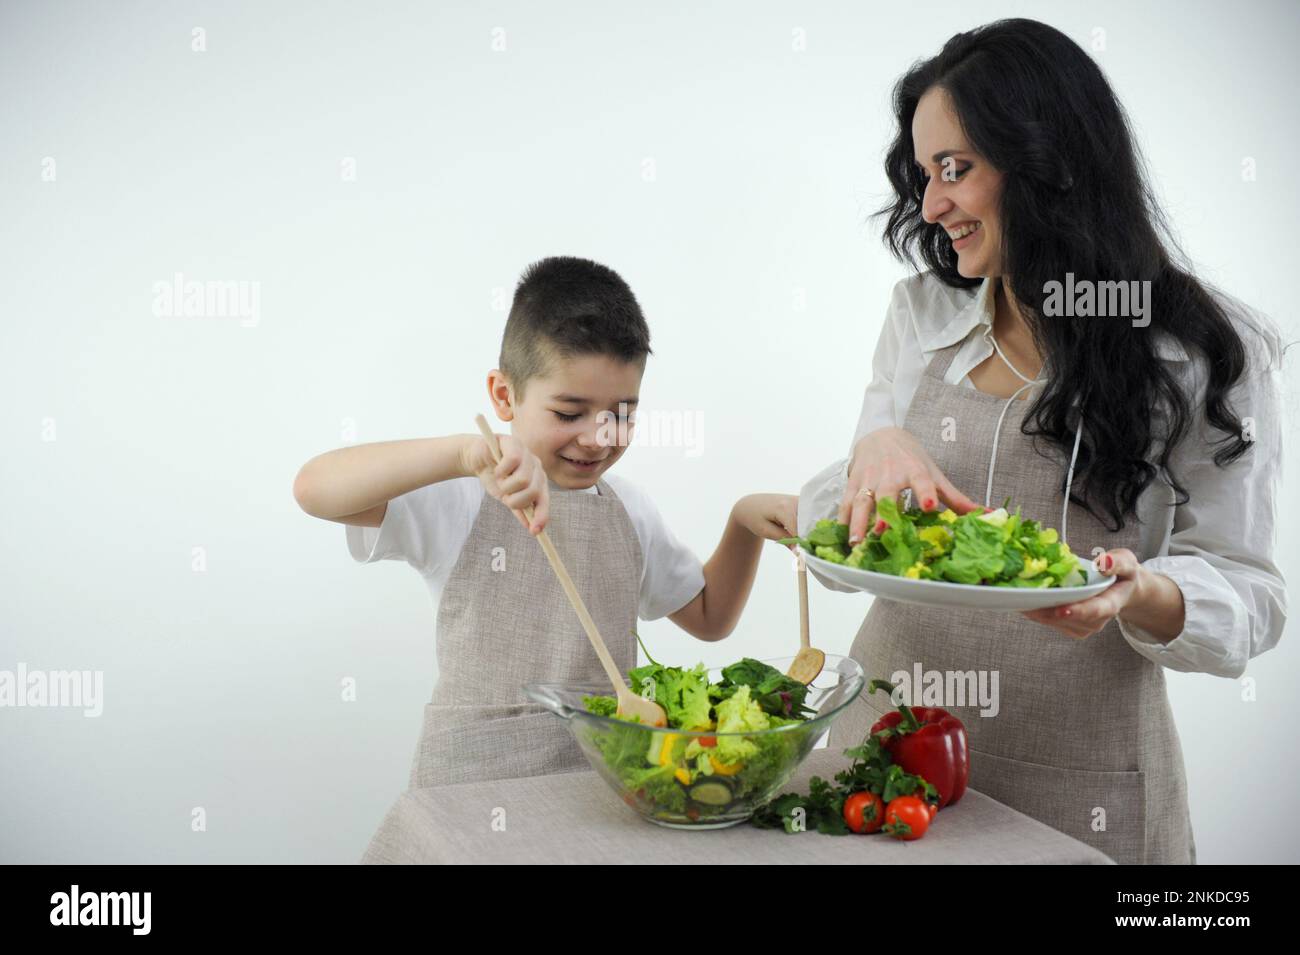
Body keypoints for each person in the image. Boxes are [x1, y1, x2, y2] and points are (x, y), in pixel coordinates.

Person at [798, 19, 1286, 865]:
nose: (932, 204)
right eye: (924, 175)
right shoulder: (922, 315)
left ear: (1049, 162)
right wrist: (870, 450)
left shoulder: (1201, 348)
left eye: (956, 169)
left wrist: (1138, 592)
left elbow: (1250, 595)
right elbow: (848, 525)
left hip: (1081, 769)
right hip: (887, 739)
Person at [294, 255, 797, 796]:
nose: (599, 437)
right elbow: (316, 488)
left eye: (622, 414)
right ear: (504, 396)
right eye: (569, 413)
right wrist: (466, 455)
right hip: (469, 781)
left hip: (601, 781)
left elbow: (709, 617)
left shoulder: (629, 509)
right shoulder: (461, 495)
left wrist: (743, 523)